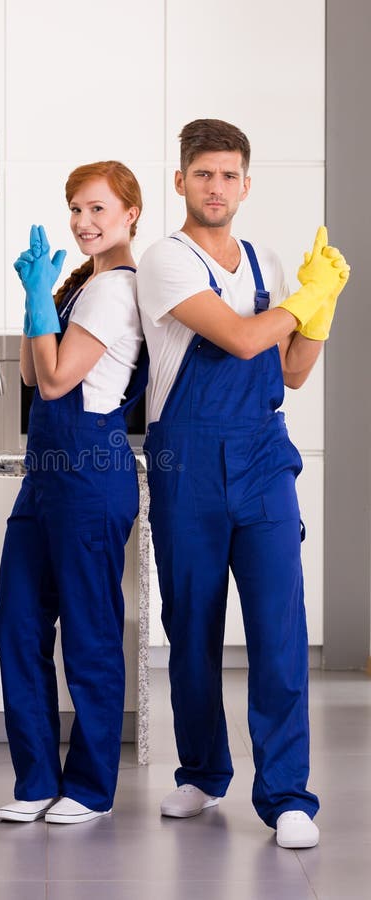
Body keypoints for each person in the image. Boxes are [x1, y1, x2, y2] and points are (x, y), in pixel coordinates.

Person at [137, 119, 349, 849]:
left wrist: (325, 305)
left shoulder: (266, 263)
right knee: (191, 628)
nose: (216, 188)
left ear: (246, 185)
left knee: (279, 633)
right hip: (186, 465)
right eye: (204, 175)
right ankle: (201, 772)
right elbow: (240, 337)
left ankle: (288, 795)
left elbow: (291, 370)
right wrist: (302, 301)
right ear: (181, 182)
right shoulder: (166, 260)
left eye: (229, 176)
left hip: (261, 463)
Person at [0, 161, 147, 825]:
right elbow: (31, 370)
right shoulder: (82, 286)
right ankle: (34, 782)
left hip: (89, 471)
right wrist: (37, 294)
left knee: (88, 634)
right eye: (76, 210)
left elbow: (55, 384)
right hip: (46, 473)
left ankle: (89, 788)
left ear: (130, 215)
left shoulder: (115, 290)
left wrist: (39, 304)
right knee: (18, 624)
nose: (84, 223)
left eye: (98, 210)